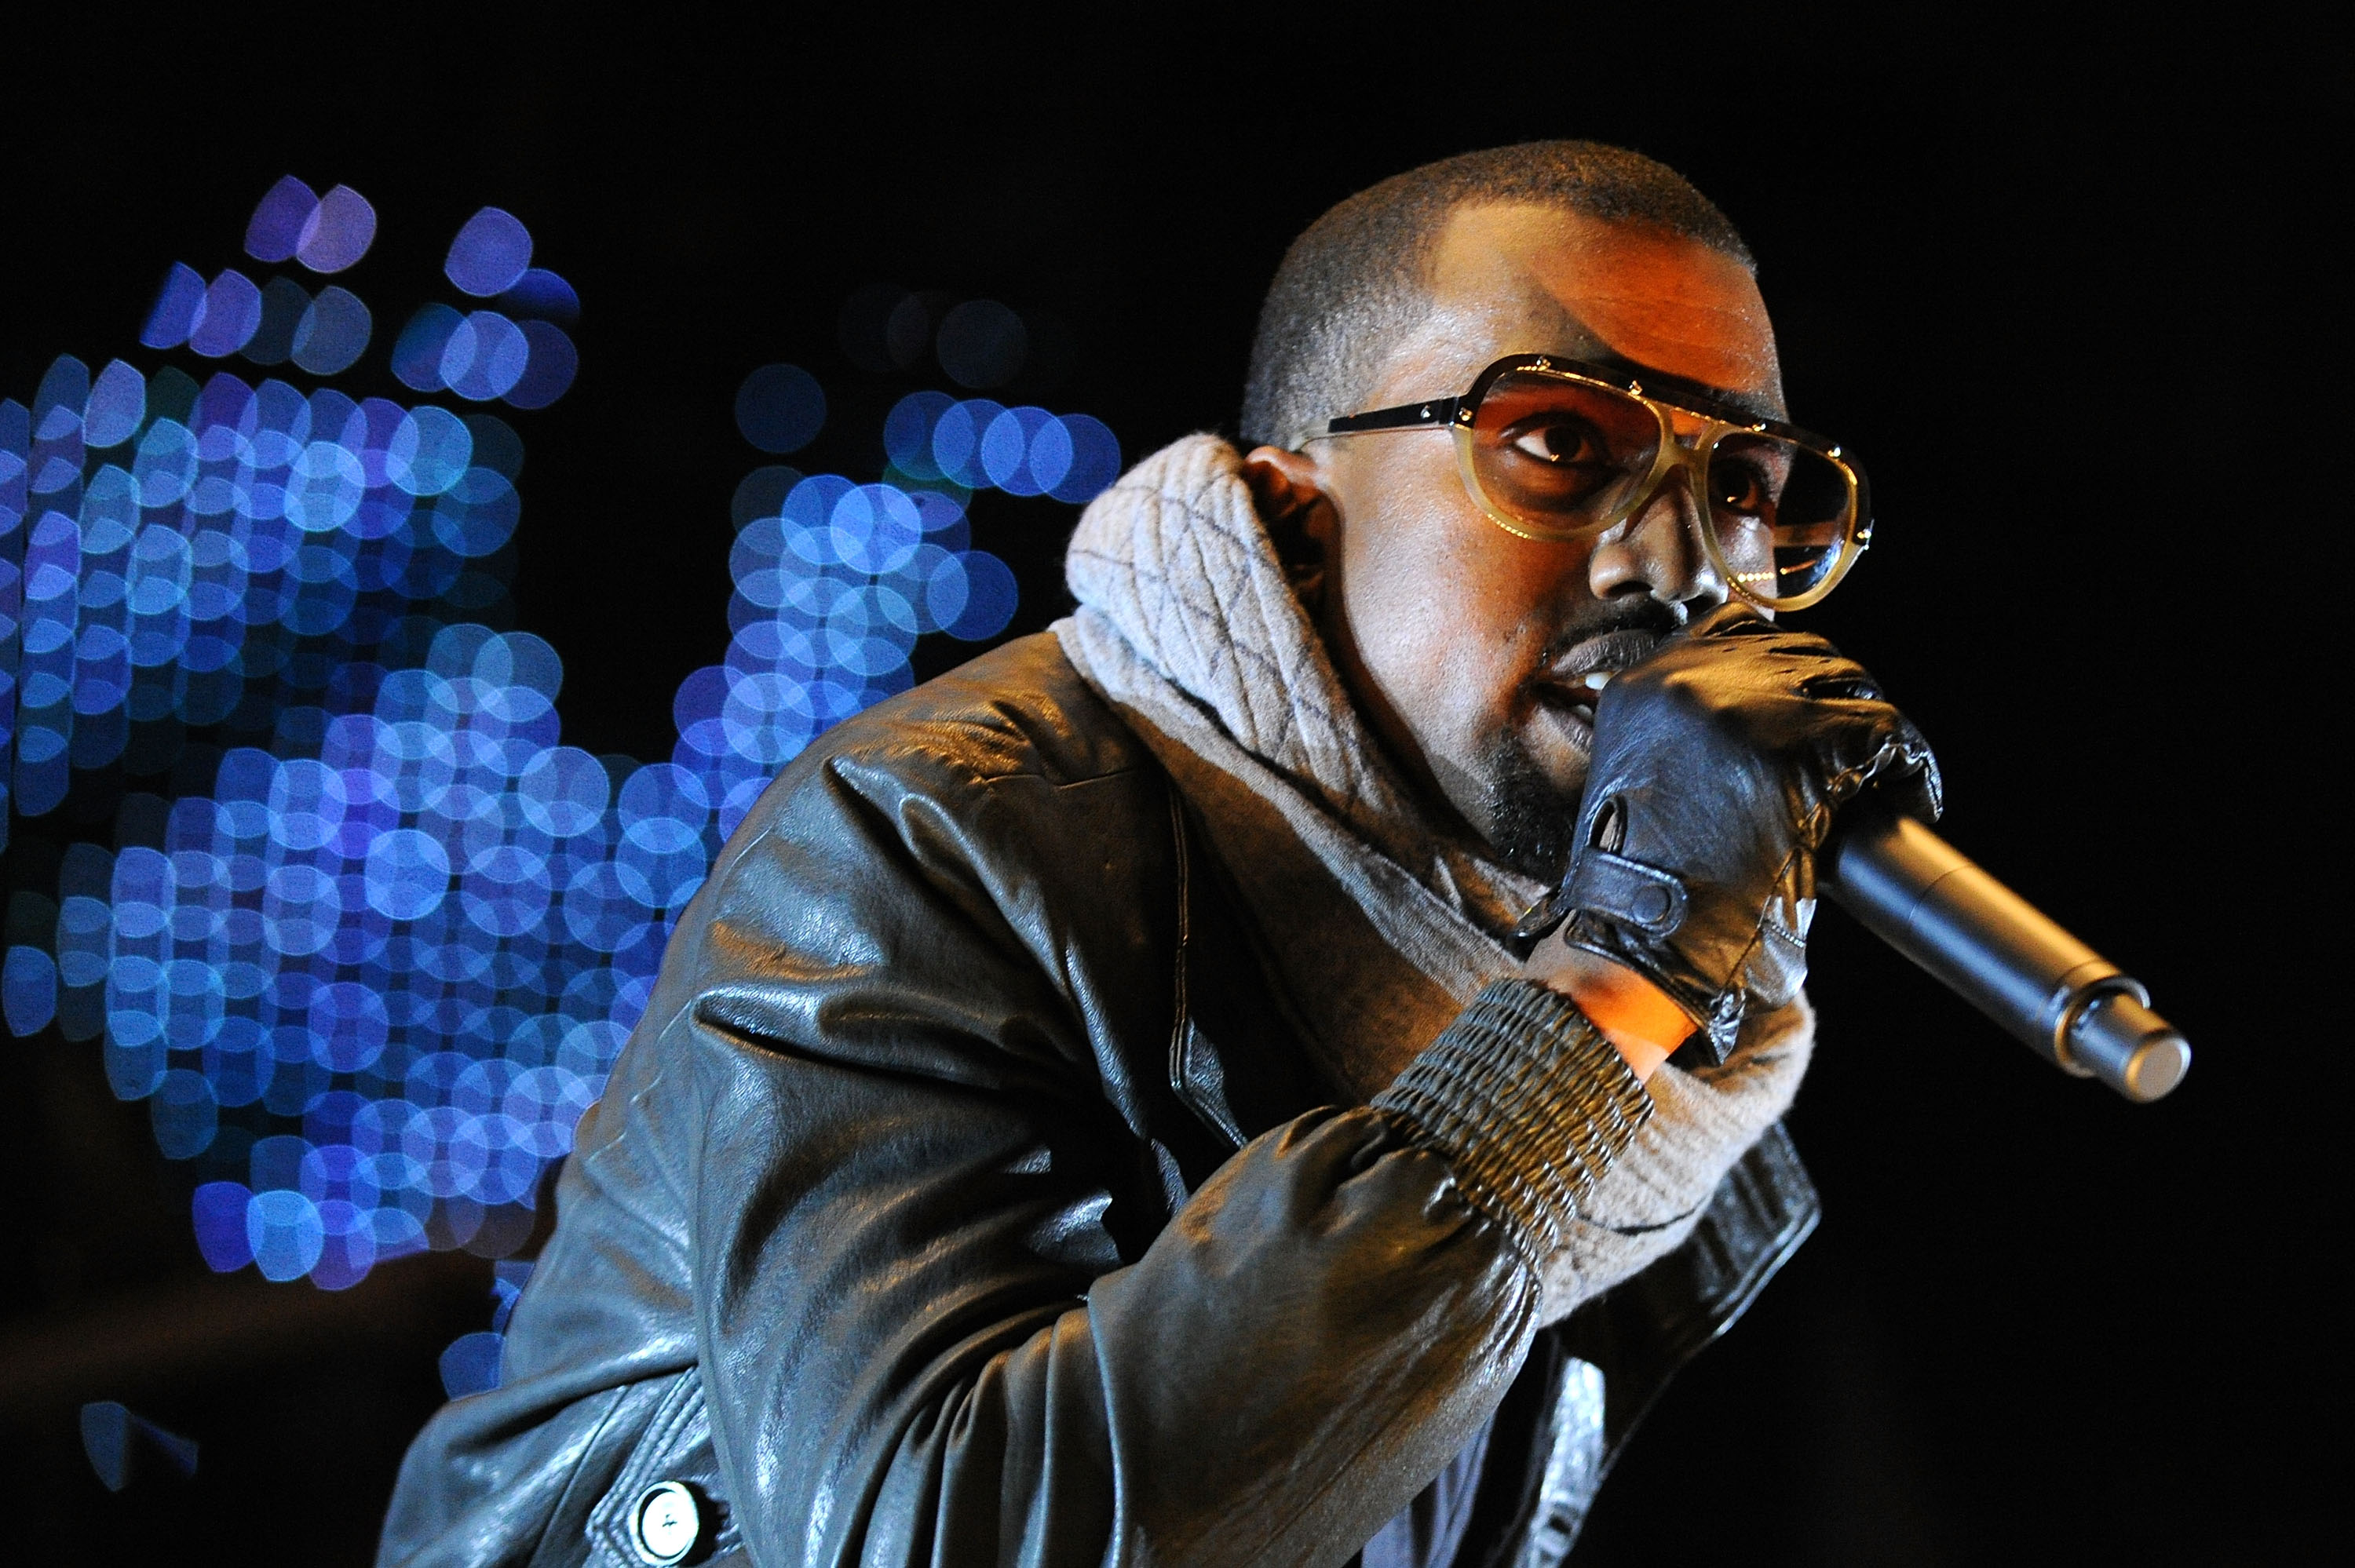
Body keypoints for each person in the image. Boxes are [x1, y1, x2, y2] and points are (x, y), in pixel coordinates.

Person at [378, 140, 1937, 1568]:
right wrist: (1623, 974)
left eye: (1747, 491)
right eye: (1558, 440)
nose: (1683, 567)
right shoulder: (938, 834)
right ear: (1297, 509)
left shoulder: (1670, 1076)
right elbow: (945, 1538)